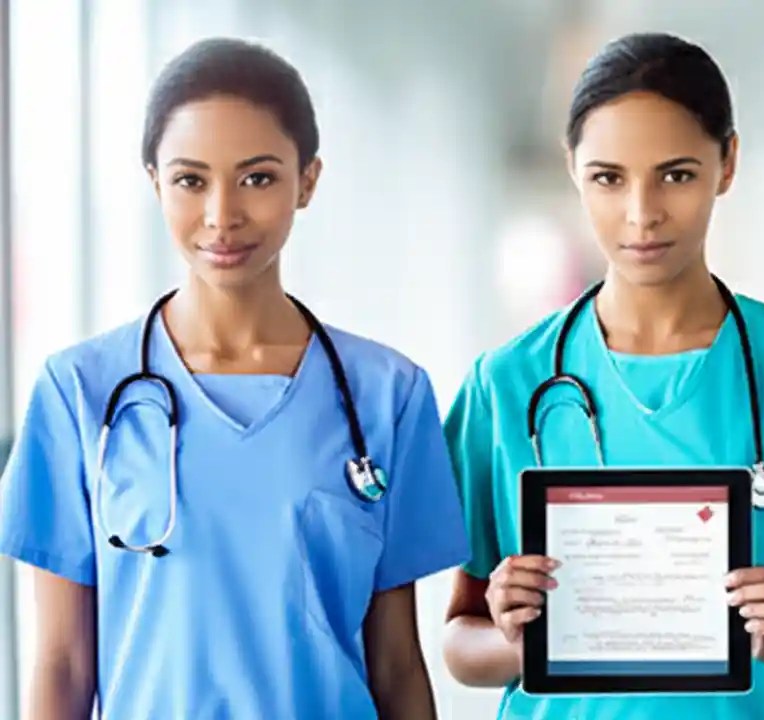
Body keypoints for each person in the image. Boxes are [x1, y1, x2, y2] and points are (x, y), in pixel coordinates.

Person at [440, 32, 764, 720]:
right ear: (572, 168)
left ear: (727, 163)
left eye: (677, 174)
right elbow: (460, 643)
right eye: (609, 177)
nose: (642, 213)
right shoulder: (504, 384)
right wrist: (523, 636)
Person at [0, 38, 468, 719]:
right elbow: (63, 664)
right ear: (155, 182)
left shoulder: (386, 395)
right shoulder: (79, 392)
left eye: (257, 178)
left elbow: (396, 663)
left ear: (307, 181)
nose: (222, 215)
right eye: (191, 180)